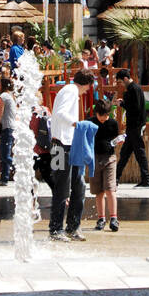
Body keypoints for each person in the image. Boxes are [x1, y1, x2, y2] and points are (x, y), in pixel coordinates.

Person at [49, 70, 95, 239]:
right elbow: (60, 113)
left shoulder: (68, 90)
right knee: (62, 188)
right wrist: (76, 123)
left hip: (67, 145)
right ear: (86, 84)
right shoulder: (71, 91)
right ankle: (56, 229)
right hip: (62, 146)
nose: (87, 91)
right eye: (89, 87)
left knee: (78, 185)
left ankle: (72, 227)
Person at [115, 68, 149, 187]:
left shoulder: (133, 89)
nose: (120, 84)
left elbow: (135, 108)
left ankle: (146, 179)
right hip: (133, 126)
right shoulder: (134, 88)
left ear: (125, 79)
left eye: (120, 82)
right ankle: (115, 177)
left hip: (136, 125)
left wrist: (122, 104)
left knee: (139, 152)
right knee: (125, 153)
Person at [91, 99, 122, 232]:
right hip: (94, 158)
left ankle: (114, 218)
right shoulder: (91, 123)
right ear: (96, 113)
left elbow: (114, 139)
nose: (104, 118)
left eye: (106, 115)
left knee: (110, 188)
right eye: (101, 115)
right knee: (98, 191)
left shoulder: (113, 123)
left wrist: (118, 141)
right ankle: (101, 218)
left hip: (109, 158)